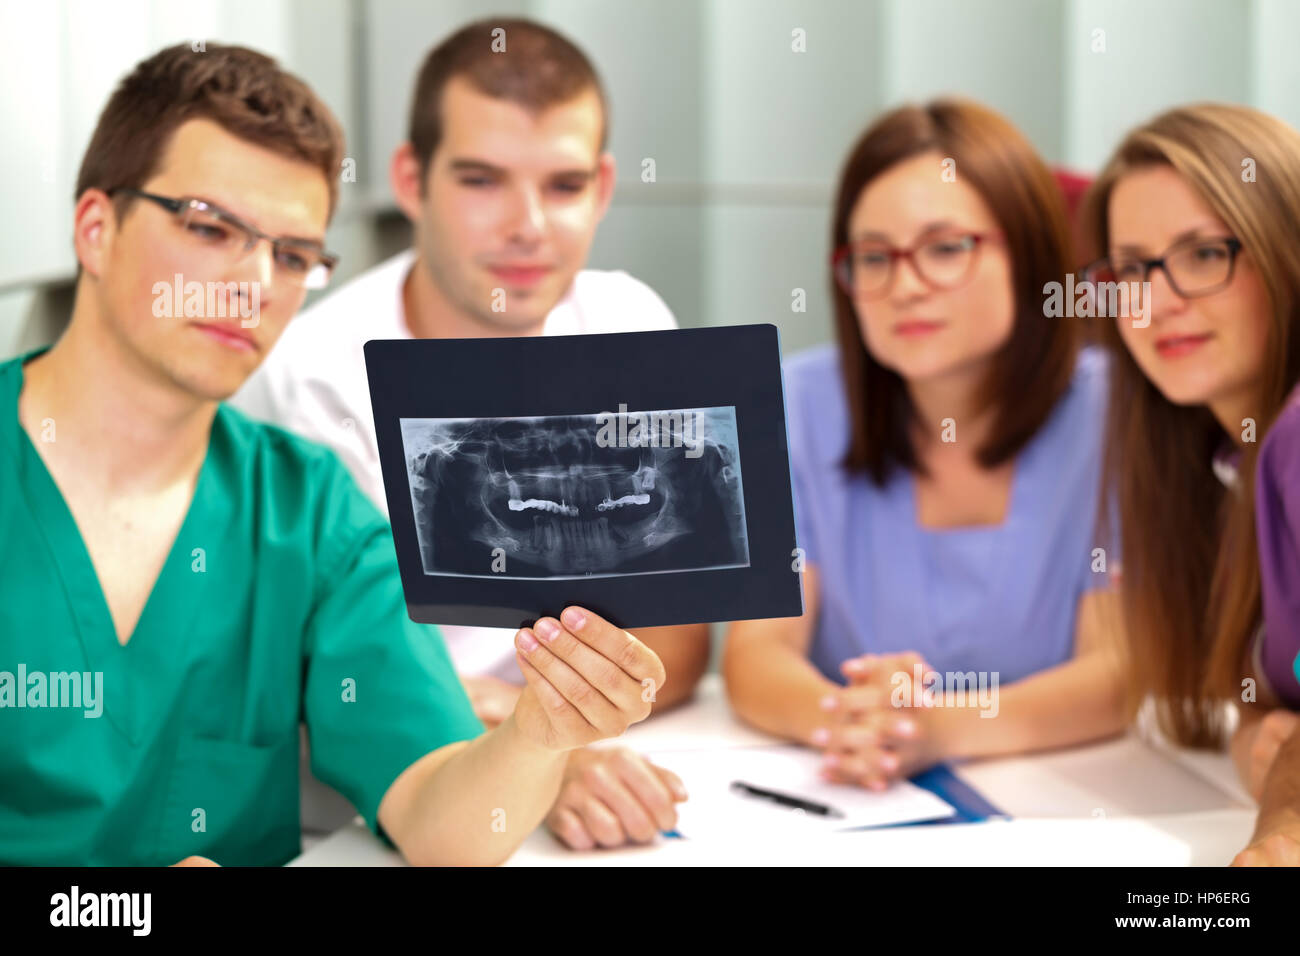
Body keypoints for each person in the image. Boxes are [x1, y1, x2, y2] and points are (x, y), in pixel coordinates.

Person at [0, 42, 664, 867]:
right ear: (96, 229)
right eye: (210, 228)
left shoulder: (311, 512)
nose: (254, 285)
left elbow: (438, 814)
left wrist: (538, 736)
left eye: (290, 255)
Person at [231, 18, 704, 850]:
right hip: (371, 816)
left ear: (602, 187)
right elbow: (342, 690)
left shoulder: (631, 323)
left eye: (562, 186)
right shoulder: (311, 377)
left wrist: (554, 732)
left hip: (611, 769)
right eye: (482, 180)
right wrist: (548, 746)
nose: (527, 226)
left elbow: (680, 635)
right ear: (411, 179)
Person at [724, 99, 1127, 789]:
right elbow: (757, 652)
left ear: (1029, 255)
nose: (905, 287)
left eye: (945, 248)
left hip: (1074, 805)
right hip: (857, 800)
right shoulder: (795, 402)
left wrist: (935, 729)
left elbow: (1118, 675)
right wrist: (849, 718)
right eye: (874, 257)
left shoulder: (1115, 414)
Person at [1080, 103, 1300, 866]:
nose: (1158, 300)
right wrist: (1257, 729)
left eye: (1203, 254)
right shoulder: (1227, 459)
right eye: (1132, 268)